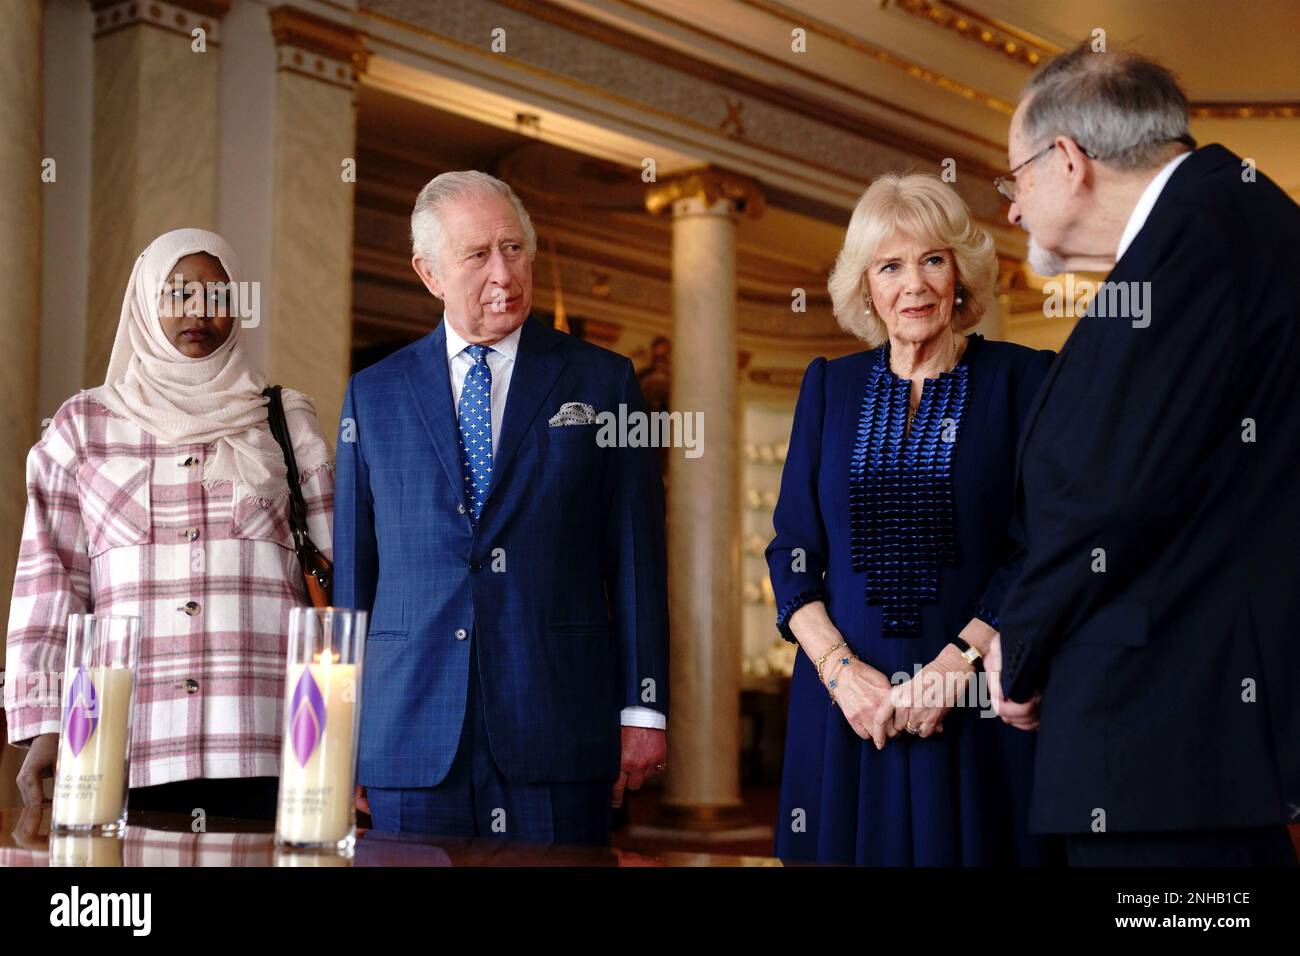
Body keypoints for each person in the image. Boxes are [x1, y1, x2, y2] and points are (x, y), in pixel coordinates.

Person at [991, 43, 1300, 866]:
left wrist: (1016, 648)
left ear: (1067, 160)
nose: (1013, 211)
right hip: (1188, 731)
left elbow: (1110, 490)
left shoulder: (1197, 235)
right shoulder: (1222, 217)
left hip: (1167, 732)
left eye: (1012, 179)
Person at [335, 171, 669, 845]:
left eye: (514, 249)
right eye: (477, 255)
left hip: (558, 725)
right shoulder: (372, 396)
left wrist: (645, 707)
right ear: (429, 273)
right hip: (408, 732)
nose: (504, 273)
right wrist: (343, 729)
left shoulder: (603, 381)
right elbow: (354, 581)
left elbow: (635, 560)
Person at [767, 173, 1057, 865]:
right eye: (889, 266)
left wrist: (959, 662)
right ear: (866, 287)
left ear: (961, 273)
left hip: (974, 702)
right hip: (845, 708)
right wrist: (840, 673)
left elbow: (1041, 542)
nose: (914, 284)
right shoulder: (828, 387)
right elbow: (792, 553)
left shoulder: (1026, 380)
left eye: (932, 260)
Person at [4, 228, 333, 820]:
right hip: (120, 748)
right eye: (177, 293)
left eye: (216, 296)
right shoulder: (83, 427)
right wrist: (47, 722)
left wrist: (351, 735)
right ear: (145, 303)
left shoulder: (285, 421)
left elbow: (339, 581)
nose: (197, 312)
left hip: (274, 748)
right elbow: (50, 586)